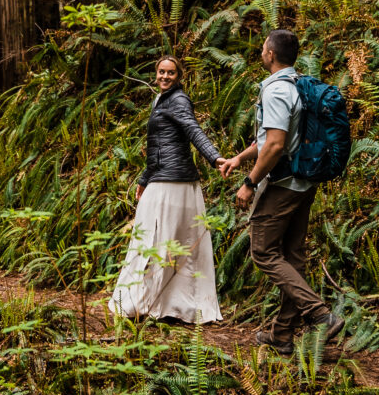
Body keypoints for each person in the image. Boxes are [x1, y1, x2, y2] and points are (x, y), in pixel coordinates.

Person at [223, 28, 345, 353]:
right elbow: (270, 139)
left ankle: (320, 315)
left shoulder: (276, 91)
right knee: (292, 256)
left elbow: (276, 145)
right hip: (304, 182)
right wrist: (240, 157)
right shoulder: (297, 86)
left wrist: (249, 182)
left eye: (263, 48)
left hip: (283, 184)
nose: (262, 52)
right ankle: (282, 336)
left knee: (263, 252)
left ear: (271, 54)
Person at [109, 55, 229, 324]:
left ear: (179, 76)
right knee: (162, 243)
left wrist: (214, 157)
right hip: (163, 178)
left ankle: (156, 303)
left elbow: (192, 130)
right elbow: (158, 150)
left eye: (171, 73)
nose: (165, 76)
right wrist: (143, 179)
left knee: (161, 242)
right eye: (161, 72)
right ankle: (162, 303)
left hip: (173, 185)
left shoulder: (178, 100)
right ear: (156, 74)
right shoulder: (160, 100)